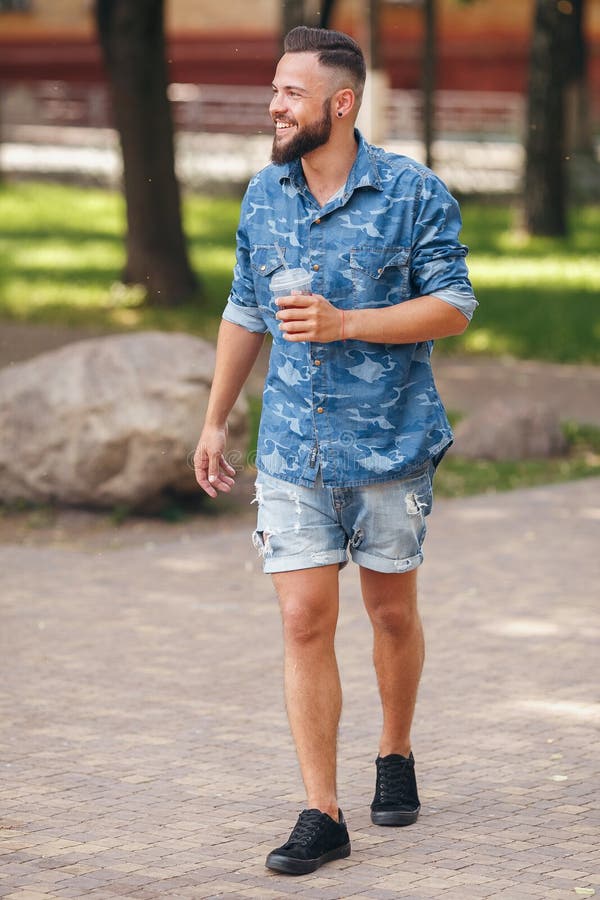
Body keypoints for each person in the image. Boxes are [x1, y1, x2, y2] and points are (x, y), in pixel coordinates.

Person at [194, 26, 477, 877]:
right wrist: (215, 422)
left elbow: (454, 305)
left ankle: (396, 751)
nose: (273, 104)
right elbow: (246, 310)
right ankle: (323, 810)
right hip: (291, 449)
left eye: (289, 92)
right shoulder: (263, 195)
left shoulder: (412, 193)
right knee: (302, 619)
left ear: (340, 105)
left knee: (391, 613)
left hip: (390, 446)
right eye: (274, 89)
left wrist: (349, 321)